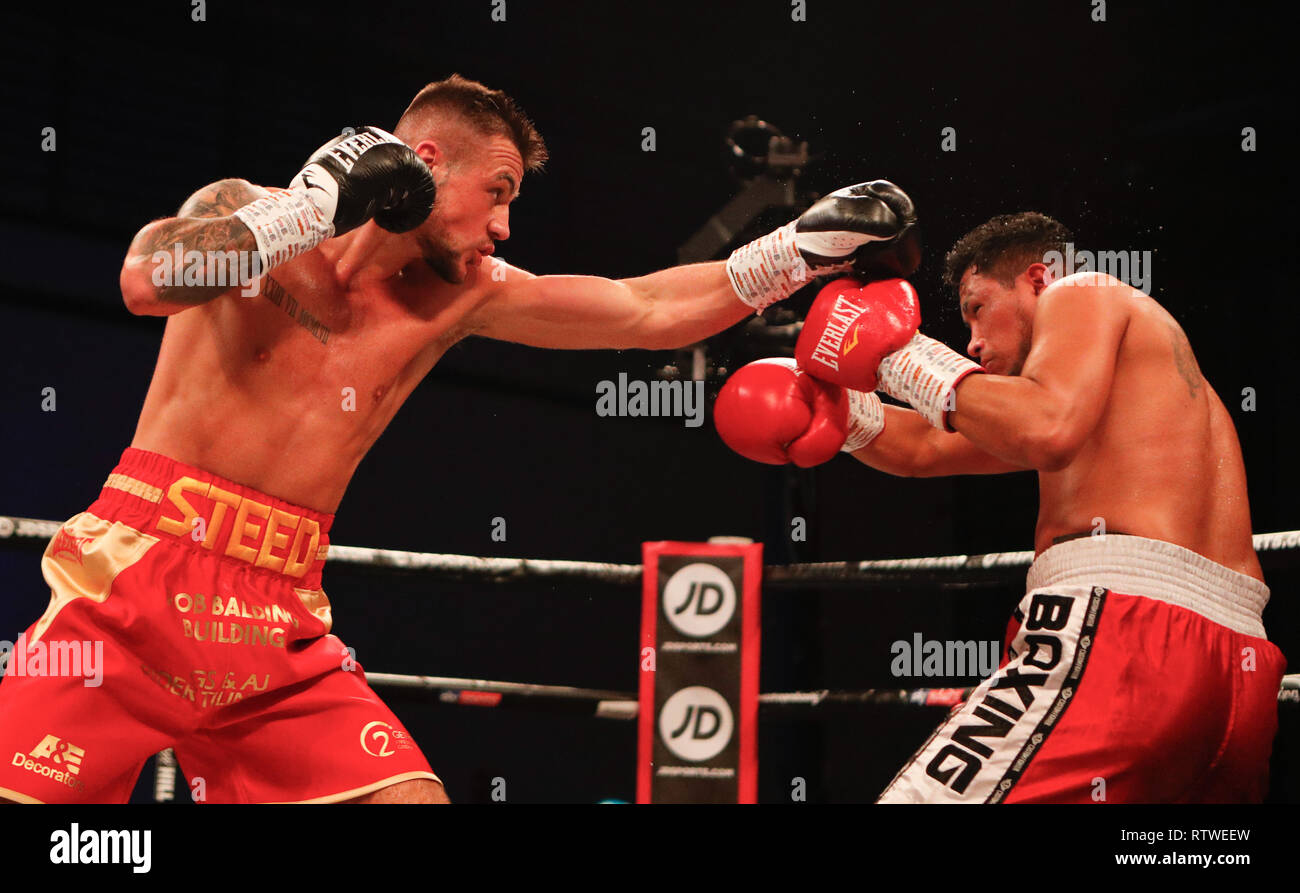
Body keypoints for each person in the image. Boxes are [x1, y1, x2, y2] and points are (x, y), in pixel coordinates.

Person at [0, 73, 920, 804]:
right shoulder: (253, 208)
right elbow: (147, 279)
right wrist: (310, 210)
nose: (504, 226)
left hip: (280, 613)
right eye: (498, 192)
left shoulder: (464, 291)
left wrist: (800, 246)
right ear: (426, 161)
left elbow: (641, 308)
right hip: (138, 582)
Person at [714, 212, 1287, 802]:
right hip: (1238, 672)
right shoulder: (1140, 396)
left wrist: (897, 356)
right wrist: (840, 411)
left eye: (977, 308)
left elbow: (1045, 426)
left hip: (1126, 633)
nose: (971, 342)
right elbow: (928, 446)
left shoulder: (1082, 290)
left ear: (1037, 279)